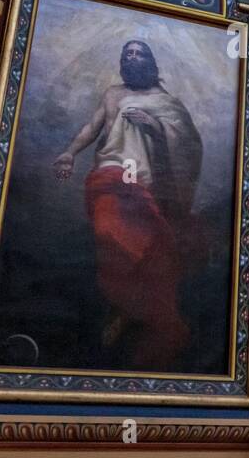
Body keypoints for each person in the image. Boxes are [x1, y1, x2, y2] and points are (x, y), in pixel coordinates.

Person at [54, 40, 202, 368]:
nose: (132, 58)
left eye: (138, 54)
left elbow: (190, 146)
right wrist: (69, 152)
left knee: (150, 251)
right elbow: (92, 127)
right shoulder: (113, 95)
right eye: (127, 54)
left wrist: (156, 126)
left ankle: (127, 307)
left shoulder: (167, 103)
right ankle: (122, 301)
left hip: (145, 184)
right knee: (111, 234)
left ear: (150, 62)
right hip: (111, 174)